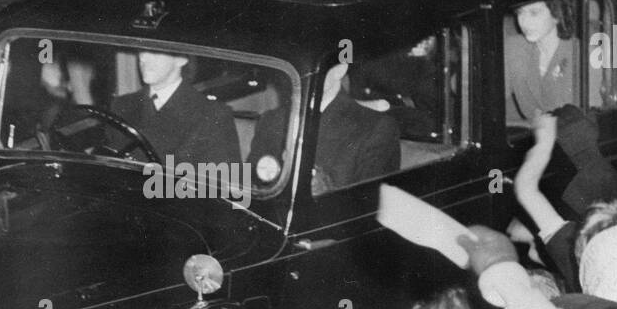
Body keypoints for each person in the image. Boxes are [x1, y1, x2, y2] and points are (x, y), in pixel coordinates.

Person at [250, 62, 400, 195]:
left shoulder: (376, 127)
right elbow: (250, 183)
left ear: (340, 69)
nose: (301, 72)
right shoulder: (271, 120)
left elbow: (370, 207)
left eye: (312, 65)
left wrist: (327, 191)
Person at [111, 48, 240, 169]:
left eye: (155, 52)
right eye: (142, 50)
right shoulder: (122, 105)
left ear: (181, 59)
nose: (143, 58)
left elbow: (223, 185)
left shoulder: (212, 114)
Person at [504, 0, 578, 125]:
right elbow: (491, 102)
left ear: (557, 15)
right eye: (520, 12)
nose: (524, 21)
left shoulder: (580, 54)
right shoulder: (515, 47)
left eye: (534, 12)